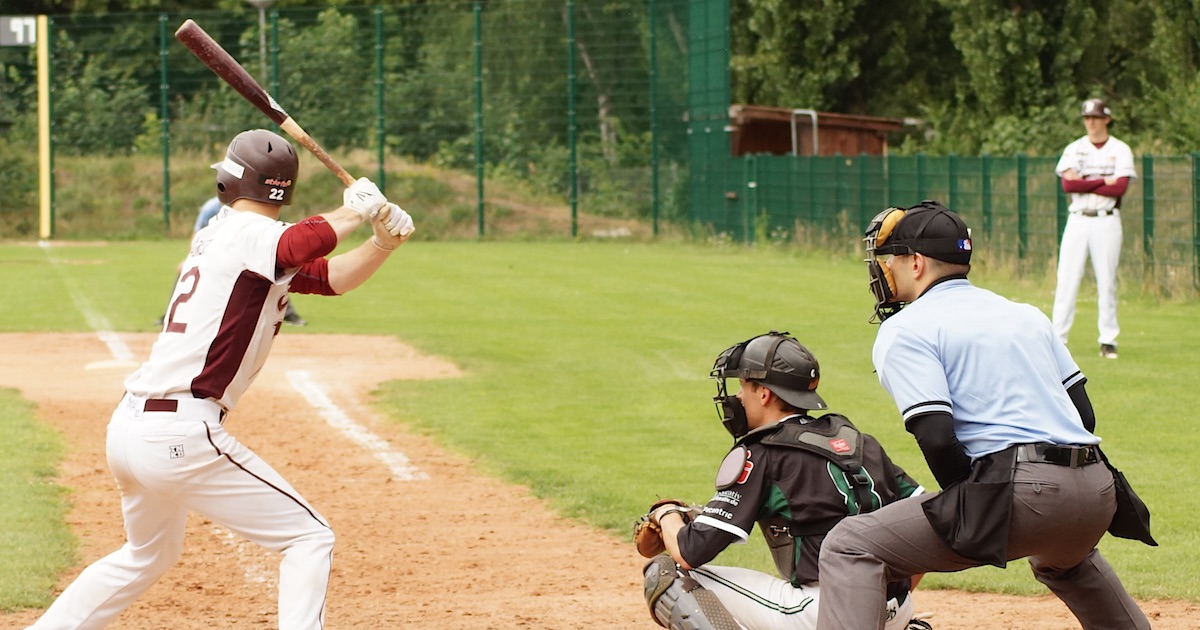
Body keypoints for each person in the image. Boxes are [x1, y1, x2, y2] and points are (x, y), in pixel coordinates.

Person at [27, 128, 414, 630]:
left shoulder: (232, 239)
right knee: (309, 537)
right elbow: (301, 239)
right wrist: (357, 210)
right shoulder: (248, 236)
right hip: (179, 434)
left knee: (146, 554)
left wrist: (381, 243)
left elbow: (327, 277)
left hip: (130, 429)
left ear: (229, 183)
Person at [814, 200, 1151, 630]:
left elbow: (936, 436)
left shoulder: (906, 327)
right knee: (1065, 562)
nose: (884, 269)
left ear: (915, 263)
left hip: (1025, 495)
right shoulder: (1025, 314)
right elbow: (1083, 416)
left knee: (848, 544)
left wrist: (978, 506)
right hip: (1098, 492)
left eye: (891, 258)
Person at [639, 331, 931, 630]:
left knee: (670, 574)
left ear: (764, 394)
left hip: (821, 614)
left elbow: (690, 551)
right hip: (893, 611)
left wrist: (666, 513)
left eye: (743, 386)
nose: (738, 396)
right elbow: (926, 519)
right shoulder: (859, 442)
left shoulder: (763, 452)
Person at [1052, 98, 1137, 359]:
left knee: (1106, 279)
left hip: (1107, 218)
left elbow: (1120, 187)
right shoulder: (1074, 148)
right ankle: (1057, 340)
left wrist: (1085, 181)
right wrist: (1103, 180)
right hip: (1078, 217)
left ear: (1106, 119)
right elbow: (1068, 186)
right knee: (1067, 278)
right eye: (1087, 117)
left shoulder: (1120, 149)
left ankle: (1108, 340)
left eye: (1096, 117)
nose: (1091, 122)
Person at [157, 195, 307, 327]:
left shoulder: (257, 207)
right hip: (215, 252)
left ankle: (289, 314)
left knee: (272, 270)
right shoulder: (211, 207)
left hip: (246, 250)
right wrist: (191, 258)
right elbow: (198, 234)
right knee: (184, 269)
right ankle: (171, 314)